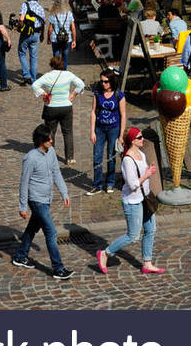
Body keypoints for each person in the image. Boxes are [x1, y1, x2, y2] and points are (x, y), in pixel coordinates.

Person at [97, 127, 164, 276]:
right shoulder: (127, 160)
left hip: (145, 199)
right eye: (140, 137)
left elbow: (143, 174)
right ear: (133, 141)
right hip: (133, 202)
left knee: (150, 230)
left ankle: (147, 263)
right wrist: (147, 175)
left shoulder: (141, 153)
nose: (143, 140)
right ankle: (105, 253)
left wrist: (148, 170)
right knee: (133, 236)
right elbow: (132, 184)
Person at [13, 124, 73, 278]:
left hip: (47, 199)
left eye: (51, 137)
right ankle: (58, 268)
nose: (51, 141)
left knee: (32, 228)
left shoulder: (51, 152)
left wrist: (64, 192)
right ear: (41, 140)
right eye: (48, 139)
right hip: (36, 200)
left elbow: (56, 173)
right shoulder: (30, 158)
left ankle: (20, 256)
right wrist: (23, 206)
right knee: (51, 232)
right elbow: (24, 183)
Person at [32, 56, 85, 165]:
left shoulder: (48, 76)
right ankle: (70, 157)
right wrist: (73, 94)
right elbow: (81, 84)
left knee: (51, 133)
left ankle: (51, 156)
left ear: (51, 65)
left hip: (51, 107)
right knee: (68, 132)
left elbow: (35, 85)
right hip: (66, 107)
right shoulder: (68, 74)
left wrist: (44, 93)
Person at [88, 70, 126, 195]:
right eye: (101, 81)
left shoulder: (118, 95)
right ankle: (97, 184)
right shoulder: (97, 93)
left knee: (111, 156)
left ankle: (110, 182)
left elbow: (123, 115)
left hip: (113, 128)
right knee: (97, 156)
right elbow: (93, 112)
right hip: (100, 128)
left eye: (106, 81)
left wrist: (121, 135)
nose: (103, 84)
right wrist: (92, 131)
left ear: (111, 81)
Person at [18, 0, 46, 85]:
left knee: (22, 52)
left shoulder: (25, 5)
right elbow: (43, 23)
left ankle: (26, 75)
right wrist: (42, 35)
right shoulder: (40, 8)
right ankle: (33, 78)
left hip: (26, 34)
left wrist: (19, 27)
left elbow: (21, 19)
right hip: (36, 34)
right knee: (33, 57)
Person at [47, 0, 76, 70]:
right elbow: (73, 28)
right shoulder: (69, 14)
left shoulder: (53, 14)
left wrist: (48, 38)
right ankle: (64, 72)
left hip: (55, 38)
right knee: (65, 57)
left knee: (56, 57)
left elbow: (50, 29)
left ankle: (56, 71)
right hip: (67, 39)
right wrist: (74, 40)